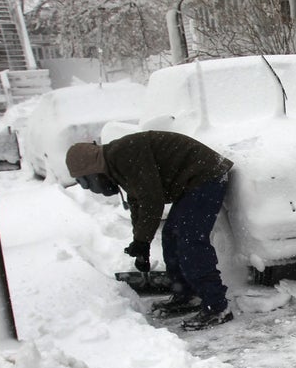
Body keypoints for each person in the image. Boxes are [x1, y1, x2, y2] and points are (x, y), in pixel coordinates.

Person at [65, 131, 236, 331]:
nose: (89, 187)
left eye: (85, 182)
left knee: (189, 240)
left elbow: (151, 200)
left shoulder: (123, 155)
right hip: (193, 181)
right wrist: (140, 244)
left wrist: (142, 241)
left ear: (92, 170)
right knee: (171, 236)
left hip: (207, 176)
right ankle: (187, 295)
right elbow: (137, 201)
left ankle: (217, 306)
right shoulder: (115, 162)